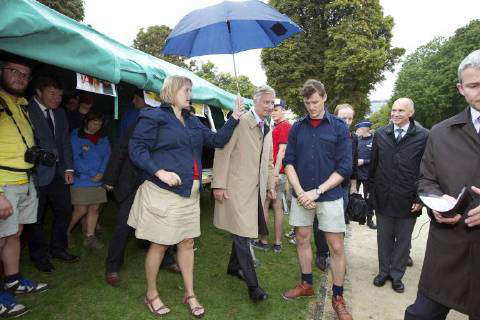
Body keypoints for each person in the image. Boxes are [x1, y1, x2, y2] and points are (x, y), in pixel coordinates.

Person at [128, 75, 243, 317]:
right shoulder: (154, 116)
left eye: (191, 90)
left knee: (187, 242)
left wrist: (234, 117)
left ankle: (189, 293)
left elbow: (216, 140)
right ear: (171, 91)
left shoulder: (192, 121)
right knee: (159, 244)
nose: (190, 95)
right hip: (163, 192)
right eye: (186, 90)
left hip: (190, 194)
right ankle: (151, 294)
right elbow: (136, 149)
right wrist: (160, 171)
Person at [405, 49, 480, 320]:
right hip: (448, 246)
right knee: (421, 316)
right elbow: (425, 180)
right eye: (474, 85)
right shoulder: (441, 132)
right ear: (461, 88)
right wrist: (436, 203)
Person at [282, 79, 353, 320]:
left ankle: (338, 297)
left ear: (324, 97)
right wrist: (301, 191)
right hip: (302, 195)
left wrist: (317, 191)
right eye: (307, 102)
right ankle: (306, 284)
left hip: (330, 195)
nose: (311, 107)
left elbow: (345, 166)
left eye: (315, 101)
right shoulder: (297, 127)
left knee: (336, 246)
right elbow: (288, 162)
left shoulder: (339, 127)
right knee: (302, 238)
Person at [212, 85, 276, 303]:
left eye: (272, 102)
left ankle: (232, 266)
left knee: (244, 231)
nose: (270, 106)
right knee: (242, 235)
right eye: (266, 102)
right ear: (255, 101)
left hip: (255, 190)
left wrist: (270, 185)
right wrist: (218, 185)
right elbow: (222, 152)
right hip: (236, 189)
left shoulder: (267, 126)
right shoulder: (239, 121)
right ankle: (253, 287)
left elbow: (268, 160)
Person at [103, 116, 179, 288]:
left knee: (162, 223)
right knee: (124, 225)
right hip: (132, 181)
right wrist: (110, 178)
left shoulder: (177, 125)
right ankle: (112, 266)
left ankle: (167, 259)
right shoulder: (143, 120)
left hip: (158, 183)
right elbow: (121, 149)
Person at [0, 55, 48, 318]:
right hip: (4, 182)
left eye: (26, 75)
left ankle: (13, 280)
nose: (21, 78)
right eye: (14, 71)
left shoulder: (20, 103)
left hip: (24, 180)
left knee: (14, 234)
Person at [368, 98, 428, 293]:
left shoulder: (423, 136)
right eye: (393, 110)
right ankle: (383, 272)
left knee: (403, 241)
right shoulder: (380, 134)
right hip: (383, 196)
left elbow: (427, 170)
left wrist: (420, 199)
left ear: (411, 113)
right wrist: (370, 194)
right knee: (383, 238)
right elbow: (373, 166)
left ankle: (396, 276)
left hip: (408, 199)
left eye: (400, 111)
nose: (395, 114)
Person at [26, 76, 80, 273]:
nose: (57, 98)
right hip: (36, 174)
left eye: (59, 95)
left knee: (64, 210)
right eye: (52, 93)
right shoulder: (26, 111)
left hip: (58, 173)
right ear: (39, 92)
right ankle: (39, 256)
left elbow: (65, 142)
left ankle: (58, 248)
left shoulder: (60, 113)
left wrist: (68, 168)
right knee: (36, 217)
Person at [313, 103, 358, 272]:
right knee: (320, 222)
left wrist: (354, 185)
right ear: (335, 117)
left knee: (338, 223)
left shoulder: (353, 138)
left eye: (350, 118)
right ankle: (322, 253)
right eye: (343, 118)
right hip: (325, 185)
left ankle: (336, 254)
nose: (346, 121)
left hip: (343, 187)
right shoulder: (326, 134)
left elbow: (353, 163)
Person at [251, 98, 291, 253]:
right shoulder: (279, 125)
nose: (273, 112)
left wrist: (274, 173)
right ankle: (277, 243)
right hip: (277, 172)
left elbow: (282, 151)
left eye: (276, 109)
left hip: (275, 172)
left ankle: (264, 240)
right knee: (277, 205)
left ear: (283, 110)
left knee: (267, 204)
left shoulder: (284, 126)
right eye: (272, 109)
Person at [68, 111, 111, 249]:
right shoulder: (76, 136)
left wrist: (101, 173)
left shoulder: (103, 138)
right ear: (86, 121)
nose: (96, 126)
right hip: (82, 178)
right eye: (94, 123)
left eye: (99, 124)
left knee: (95, 208)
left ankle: (90, 237)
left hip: (98, 179)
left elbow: (107, 156)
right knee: (80, 209)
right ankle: (65, 232)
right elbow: (75, 158)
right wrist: (92, 173)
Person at [355, 120, 377, 229]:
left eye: (360, 129)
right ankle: (352, 215)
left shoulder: (374, 141)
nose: (358, 130)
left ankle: (369, 219)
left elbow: (377, 158)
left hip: (368, 175)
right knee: (352, 195)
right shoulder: (357, 140)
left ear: (366, 129)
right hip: (355, 174)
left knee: (369, 198)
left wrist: (364, 161)